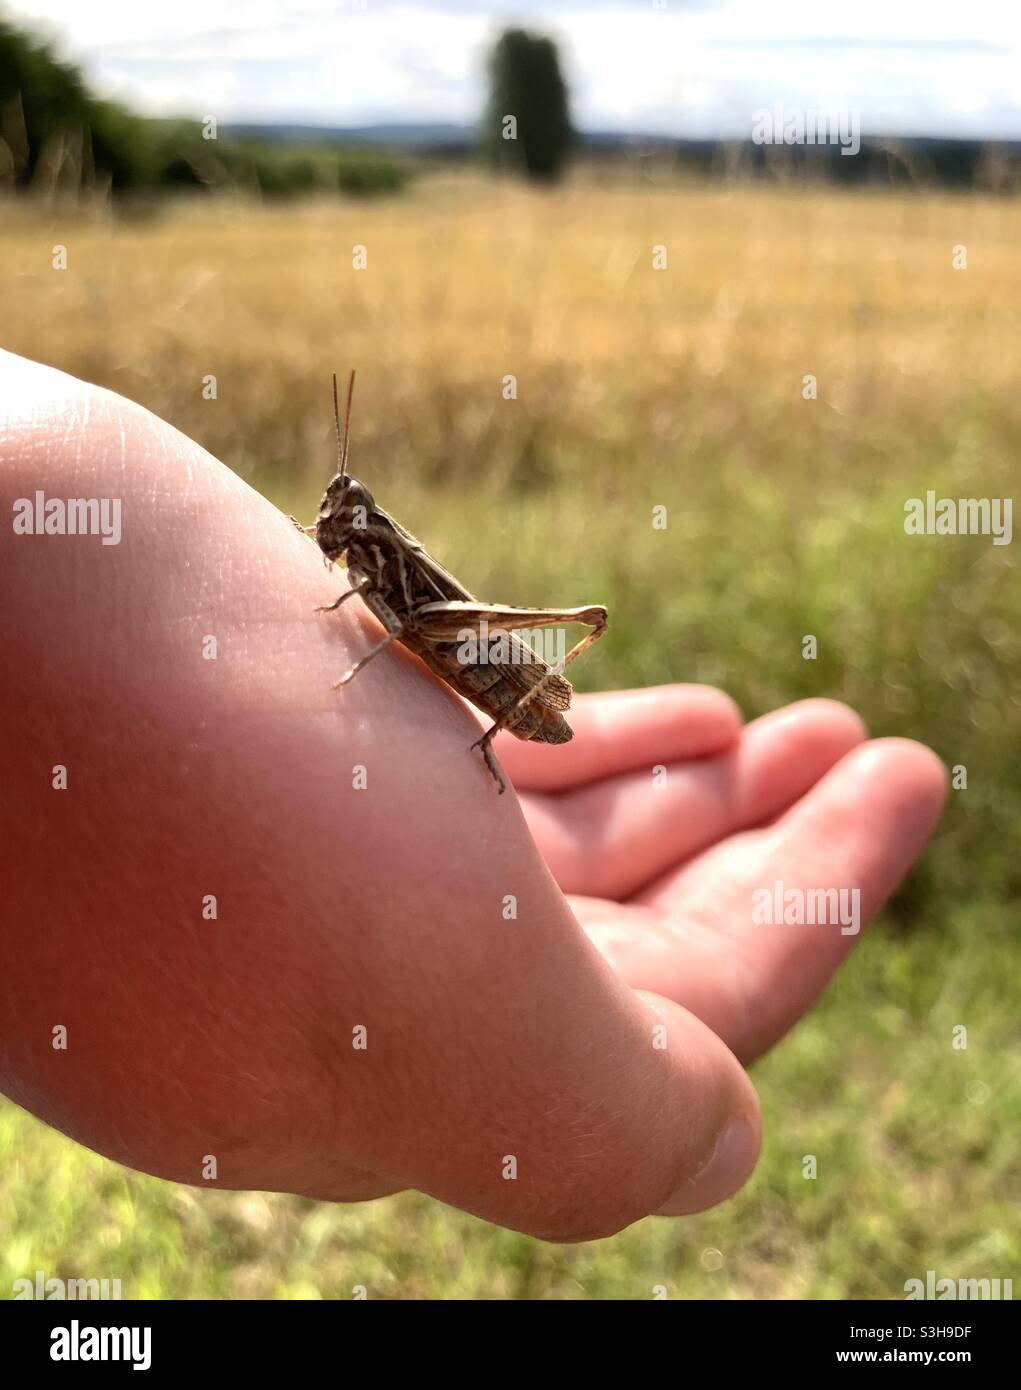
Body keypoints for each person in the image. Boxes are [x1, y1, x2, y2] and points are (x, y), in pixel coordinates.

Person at [0, 351, 946, 1242]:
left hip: (481, 662)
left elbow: (405, 615)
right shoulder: (348, 541)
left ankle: (513, 708)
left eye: (347, 508)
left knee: (434, 614)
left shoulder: (387, 563)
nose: (337, 517)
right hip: (450, 650)